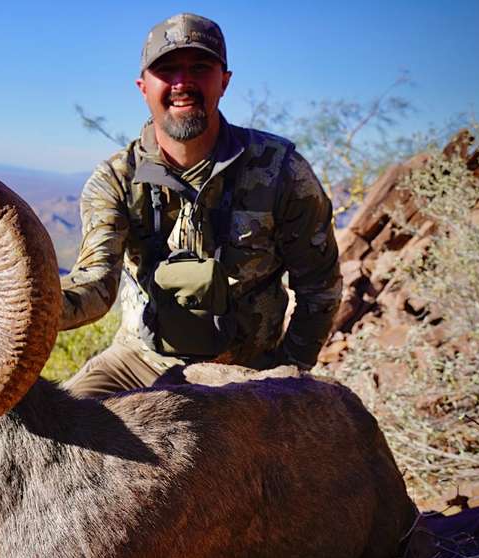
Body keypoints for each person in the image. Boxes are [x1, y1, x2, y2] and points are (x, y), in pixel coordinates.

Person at [60, 13, 341, 397]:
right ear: (143, 87)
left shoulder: (281, 170)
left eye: (200, 67)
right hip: (138, 363)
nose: (183, 82)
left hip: (246, 373)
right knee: (60, 424)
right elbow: (94, 287)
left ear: (224, 81)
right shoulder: (116, 178)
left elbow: (320, 287)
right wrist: (21, 307)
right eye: (167, 69)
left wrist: (286, 375)